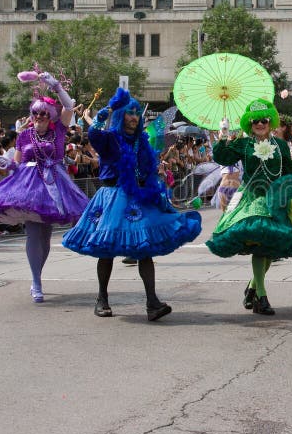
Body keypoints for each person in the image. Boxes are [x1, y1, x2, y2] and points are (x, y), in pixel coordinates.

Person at [62, 87, 202, 320]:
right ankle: (102, 298)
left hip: (138, 196)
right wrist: (109, 108)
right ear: (121, 115)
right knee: (106, 250)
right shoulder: (110, 139)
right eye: (130, 112)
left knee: (144, 249)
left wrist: (155, 189)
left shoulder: (142, 142)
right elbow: (94, 132)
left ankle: (152, 302)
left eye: (137, 113)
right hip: (113, 196)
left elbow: (147, 171)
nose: (134, 117)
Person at [0, 71, 89, 303]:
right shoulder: (24, 135)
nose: (39, 117)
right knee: (33, 232)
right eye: (35, 113)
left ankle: (38, 275)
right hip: (28, 186)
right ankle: (36, 281)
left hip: (53, 184)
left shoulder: (59, 130)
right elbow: (15, 165)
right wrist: (0, 161)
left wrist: (55, 85)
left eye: (43, 114)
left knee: (45, 237)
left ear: (50, 115)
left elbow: (69, 106)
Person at [207, 99, 292, 315]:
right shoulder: (243, 144)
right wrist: (223, 135)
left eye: (264, 120)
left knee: (269, 249)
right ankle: (261, 296)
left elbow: (289, 173)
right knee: (261, 244)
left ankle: (252, 287)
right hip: (252, 199)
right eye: (255, 121)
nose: (260, 124)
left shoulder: (280, 146)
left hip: (275, 200)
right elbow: (221, 156)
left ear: (270, 122)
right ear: (248, 124)